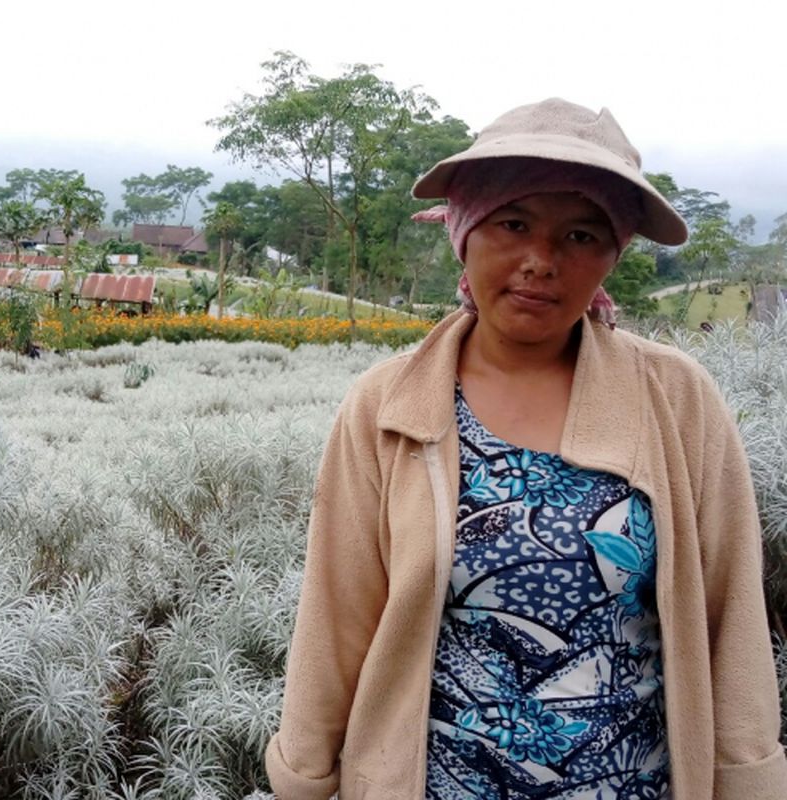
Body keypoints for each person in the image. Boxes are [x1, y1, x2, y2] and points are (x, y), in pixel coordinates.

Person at [265, 98, 787, 799]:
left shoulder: (677, 399)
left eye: (581, 235)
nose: (541, 261)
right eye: (514, 224)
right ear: (467, 231)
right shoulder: (388, 408)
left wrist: (748, 778)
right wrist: (304, 776)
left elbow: (731, 614)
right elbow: (337, 615)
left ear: (613, 254)